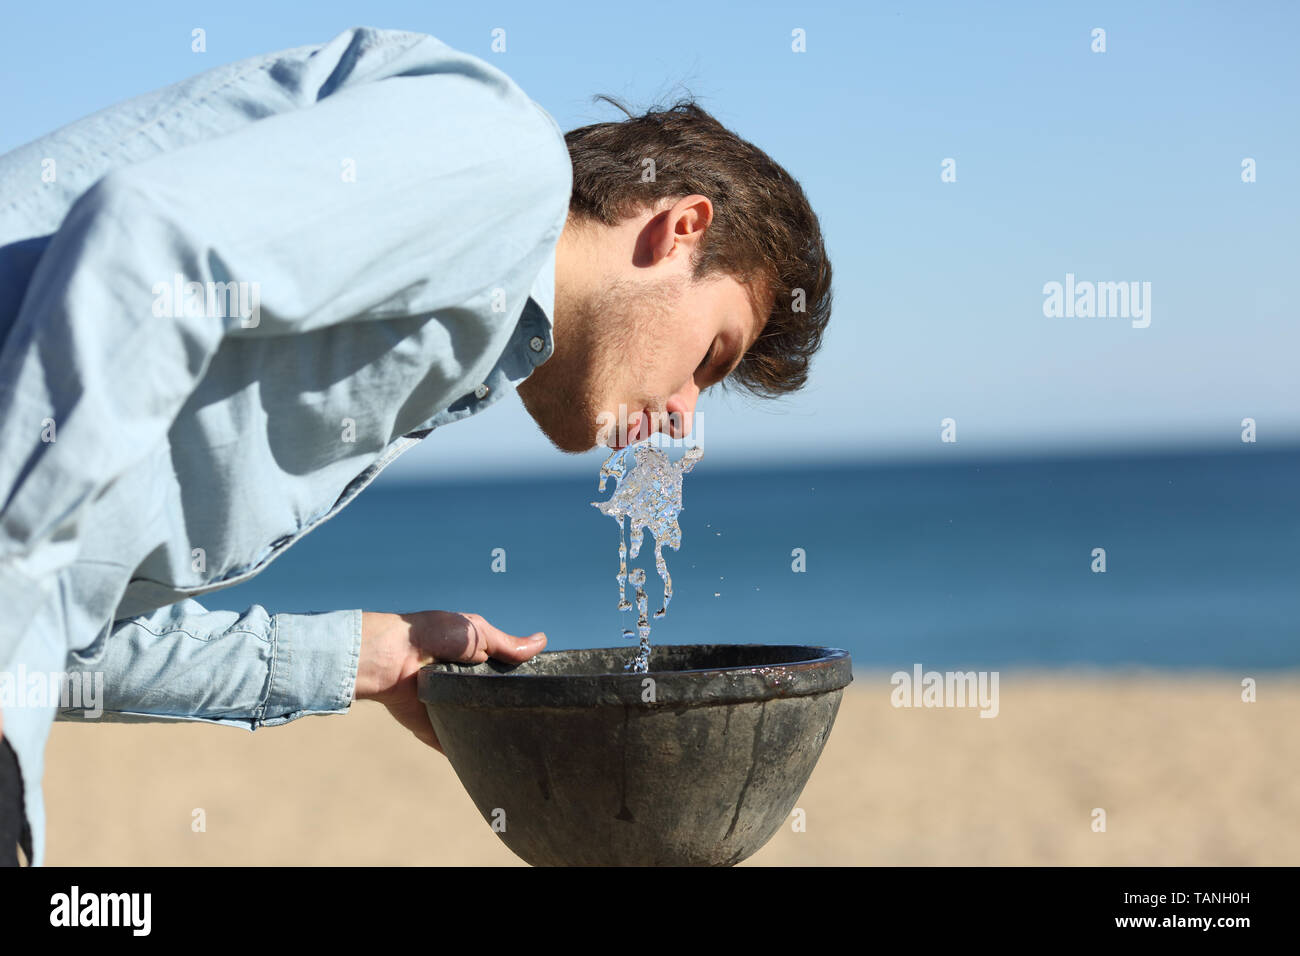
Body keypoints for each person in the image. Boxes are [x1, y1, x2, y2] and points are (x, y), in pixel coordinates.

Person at [0, 26, 832, 866]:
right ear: (680, 228)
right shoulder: (504, 161)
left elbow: (57, 635)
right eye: (711, 358)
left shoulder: (452, 341)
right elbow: (152, 247)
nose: (685, 414)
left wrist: (363, 657)